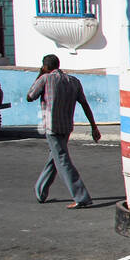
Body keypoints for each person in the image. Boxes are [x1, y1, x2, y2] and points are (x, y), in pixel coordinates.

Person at [27, 54, 101, 209]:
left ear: (45, 67)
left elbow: (30, 96)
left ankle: (81, 197)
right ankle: (40, 191)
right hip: (66, 127)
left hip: (52, 127)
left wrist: (40, 74)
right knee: (55, 157)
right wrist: (93, 126)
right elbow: (85, 104)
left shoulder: (45, 79)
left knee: (61, 160)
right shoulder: (73, 81)